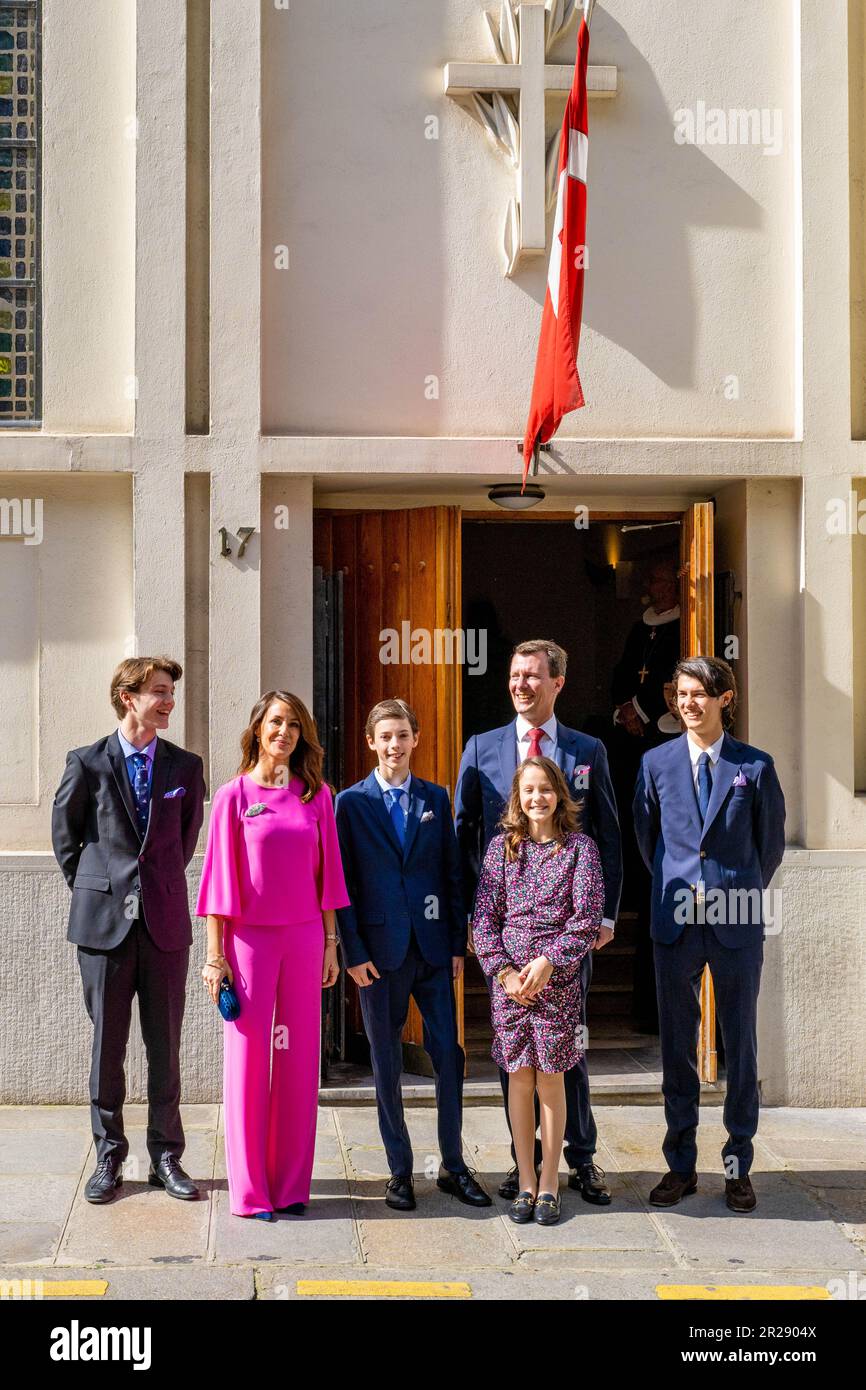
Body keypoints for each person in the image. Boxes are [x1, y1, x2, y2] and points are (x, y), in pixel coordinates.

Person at [454, 639, 622, 1204]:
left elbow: (610, 837)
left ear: (558, 683)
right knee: (514, 1059)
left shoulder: (588, 749)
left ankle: (582, 1157)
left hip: (569, 936)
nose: (522, 684)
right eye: (514, 675)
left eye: (533, 675)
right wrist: (481, 937)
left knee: (566, 1050)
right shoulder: (480, 747)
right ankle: (521, 1164)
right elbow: (464, 838)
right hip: (504, 934)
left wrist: (603, 915)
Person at [633, 656, 786, 1213]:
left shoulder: (756, 767)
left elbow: (769, 847)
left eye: (701, 694)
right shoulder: (655, 763)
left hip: (737, 919)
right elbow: (648, 841)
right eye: (682, 693)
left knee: (739, 1043)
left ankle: (737, 1164)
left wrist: (731, 889)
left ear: (726, 698)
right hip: (675, 923)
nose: (689, 703)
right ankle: (680, 1166)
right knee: (676, 1045)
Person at [51, 656, 206, 1204]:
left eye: (170, 693)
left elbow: (184, 844)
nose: (167, 702)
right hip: (103, 930)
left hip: (164, 927)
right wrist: (100, 891)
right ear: (127, 696)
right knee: (106, 1048)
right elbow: (67, 841)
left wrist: (153, 888)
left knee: (165, 1047)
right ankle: (109, 1158)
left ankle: (166, 1157)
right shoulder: (86, 763)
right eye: (158, 692)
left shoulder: (185, 767)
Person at [196, 690, 348, 1221]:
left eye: (293, 725)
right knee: (248, 1063)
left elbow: (329, 879)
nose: (284, 732)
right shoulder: (233, 796)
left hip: (306, 939)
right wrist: (215, 958)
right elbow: (218, 883)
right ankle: (251, 1193)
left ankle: (290, 1186)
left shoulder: (317, 796)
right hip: (249, 944)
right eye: (276, 722)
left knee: (299, 1061)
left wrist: (332, 944)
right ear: (258, 729)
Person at [335, 699, 490, 1212]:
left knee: (449, 1056)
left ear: (416, 738)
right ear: (371, 742)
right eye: (386, 736)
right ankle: (399, 1170)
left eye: (403, 734)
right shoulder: (350, 803)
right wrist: (352, 951)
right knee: (386, 1063)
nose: (395, 745)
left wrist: (454, 944)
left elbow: (449, 874)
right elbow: (344, 884)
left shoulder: (434, 798)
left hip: (431, 953)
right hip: (377, 957)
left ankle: (453, 1165)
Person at [472, 756, 604, 1226]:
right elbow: (484, 920)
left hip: (558, 984)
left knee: (551, 1079)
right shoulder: (501, 851)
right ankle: (525, 1179)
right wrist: (504, 973)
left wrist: (548, 962)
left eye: (546, 789)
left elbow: (586, 918)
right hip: (510, 989)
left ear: (559, 794)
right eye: (529, 790)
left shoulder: (580, 850)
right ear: (517, 798)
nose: (538, 798)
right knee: (519, 1079)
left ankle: (551, 1182)